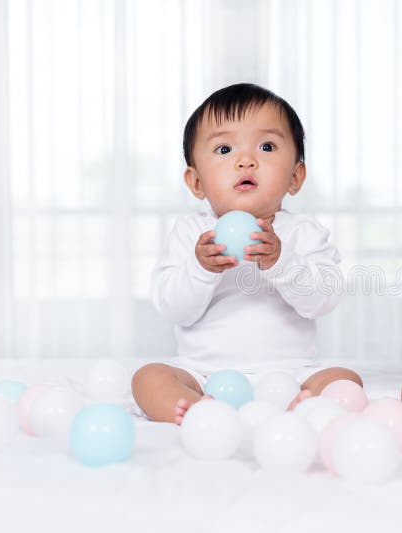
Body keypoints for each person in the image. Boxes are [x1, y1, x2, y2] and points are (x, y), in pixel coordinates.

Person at [132, 83, 360, 424]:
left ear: (296, 177)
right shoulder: (192, 234)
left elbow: (324, 298)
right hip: (204, 375)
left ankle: (301, 405)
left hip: (290, 376)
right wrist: (201, 268)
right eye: (224, 149)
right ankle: (198, 410)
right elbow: (172, 308)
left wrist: (281, 262)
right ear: (196, 183)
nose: (245, 161)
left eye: (266, 146)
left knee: (345, 380)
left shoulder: (302, 232)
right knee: (148, 378)